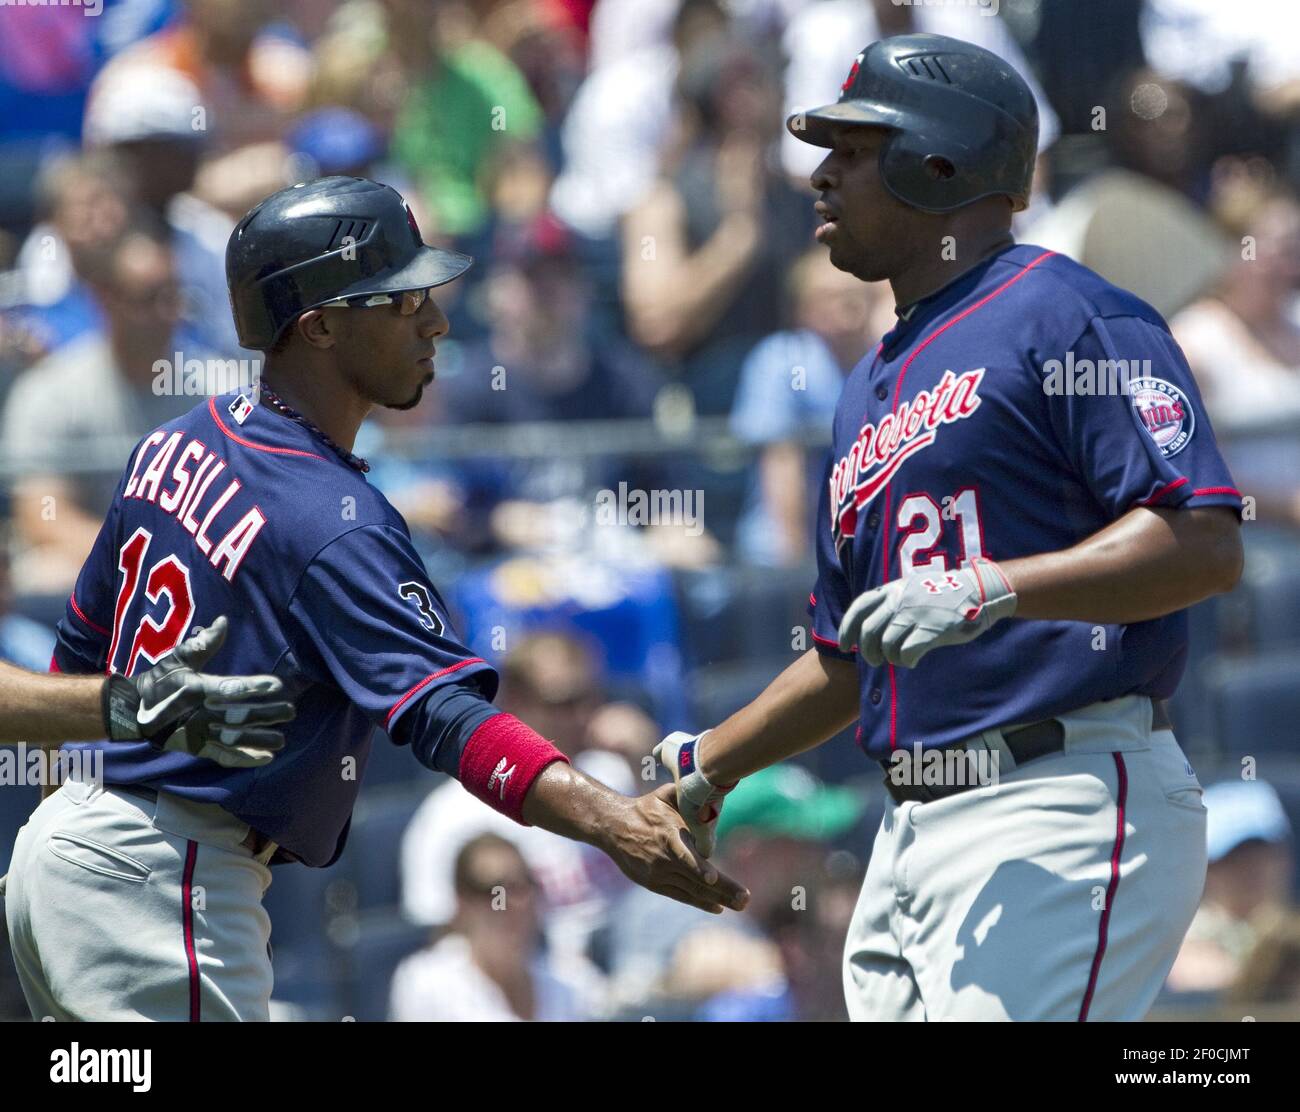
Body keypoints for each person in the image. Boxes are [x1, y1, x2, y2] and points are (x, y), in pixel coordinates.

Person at [2, 175, 747, 1023]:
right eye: (397, 302)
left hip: (69, 850)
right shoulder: (334, 518)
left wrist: (62, 839)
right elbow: (450, 722)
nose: (433, 320)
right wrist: (614, 821)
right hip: (162, 875)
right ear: (318, 326)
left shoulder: (178, 440)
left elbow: (77, 655)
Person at [655, 33, 1245, 1022]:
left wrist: (997, 585)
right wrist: (707, 764)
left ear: (940, 162)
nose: (821, 173)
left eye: (850, 148)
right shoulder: (865, 384)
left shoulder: (1066, 311)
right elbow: (848, 653)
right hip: (914, 824)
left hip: (1058, 795)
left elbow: (1203, 539)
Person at [390, 834, 602, 1022]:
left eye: (522, 886)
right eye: (494, 890)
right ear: (462, 905)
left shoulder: (572, 982)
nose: (512, 903)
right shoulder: (425, 985)